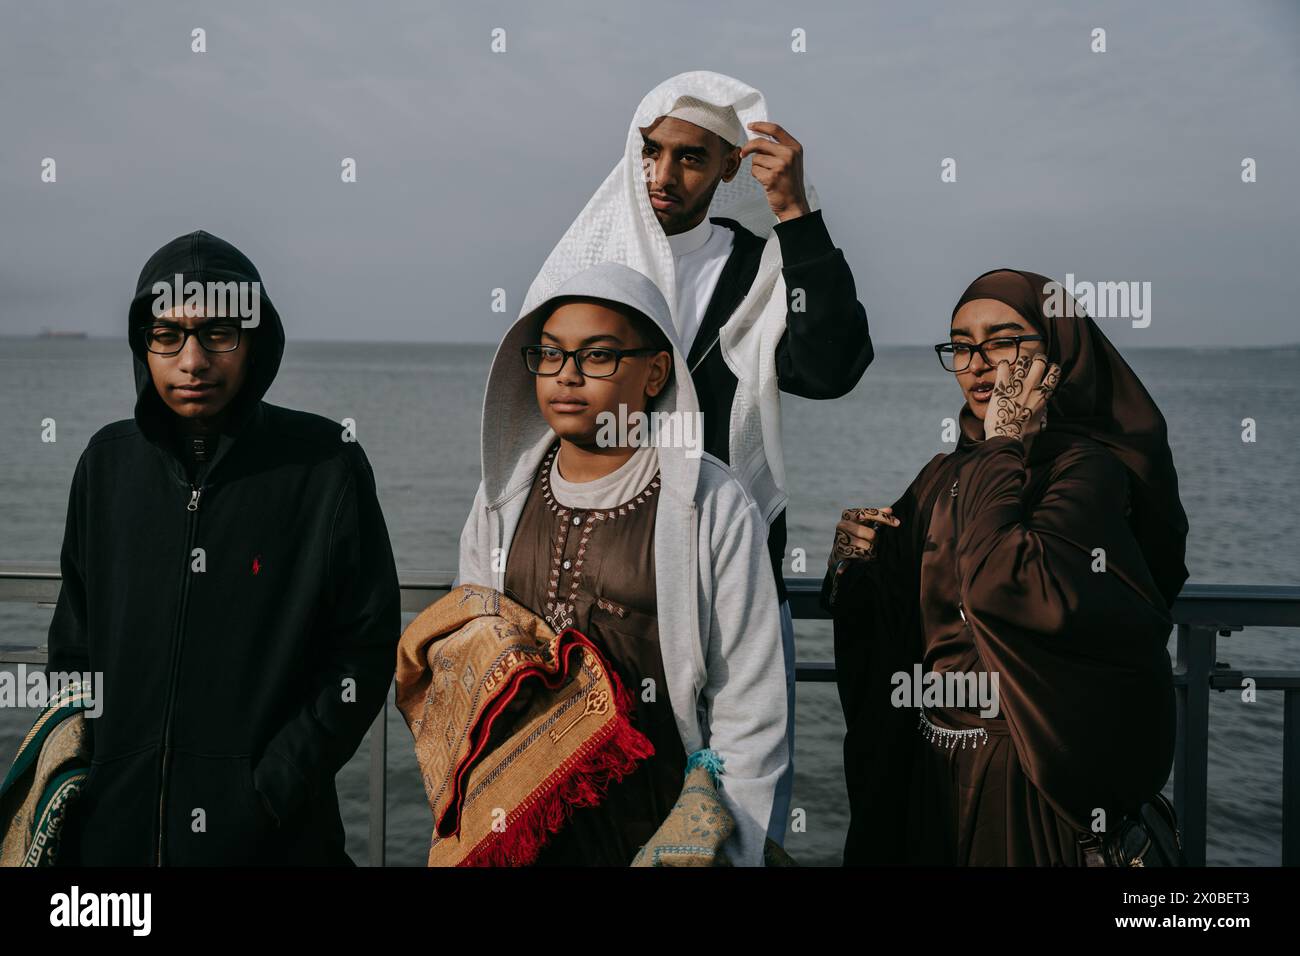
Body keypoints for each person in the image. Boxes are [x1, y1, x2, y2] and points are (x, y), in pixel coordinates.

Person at [522, 70, 874, 841]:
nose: (663, 175)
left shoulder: (761, 267)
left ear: (726, 167)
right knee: (582, 808)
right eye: (651, 152)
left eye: (689, 158)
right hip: (599, 576)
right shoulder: (593, 262)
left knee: (738, 802)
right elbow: (533, 407)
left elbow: (832, 367)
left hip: (727, 569)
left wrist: (796, 214)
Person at [46, 230, 400, 865]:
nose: (193, 360)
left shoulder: (324, 464)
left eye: (219, 333)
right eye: (168, 334)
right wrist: (81, 783)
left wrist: (270, 790)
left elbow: (364, 649)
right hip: (109, 844)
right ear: (143, 342)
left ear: (255, 338)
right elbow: (74, 645)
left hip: (272, 844)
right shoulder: (106, 465)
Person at [824, 268, 1189, 865]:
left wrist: (1005, 445)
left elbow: (1010, 586)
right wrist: (857, 561)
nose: (977, 363)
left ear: (1058, 353)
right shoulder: (944, 473)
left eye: (1003, 341)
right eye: (962, 346)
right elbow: (907, 618)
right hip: (931, 768)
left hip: (1028, 776)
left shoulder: (1087, 471)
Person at [457, 260, 787, 866]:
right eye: (550, 354)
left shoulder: (708, 503)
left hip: (660, 821)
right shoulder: (500, 500)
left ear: (656, 370)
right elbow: (473, 666)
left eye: (598, 356)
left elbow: (749, 705)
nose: (566, 376)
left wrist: (730, 851)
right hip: (527, 822)